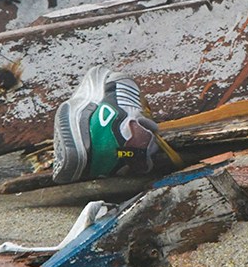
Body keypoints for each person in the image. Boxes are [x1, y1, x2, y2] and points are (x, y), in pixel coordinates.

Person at [52, 66, 183, 184]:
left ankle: (121, 133)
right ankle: (122, 153)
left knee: (125, 95)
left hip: (121, 151)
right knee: (131, 151)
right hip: (122, 154)